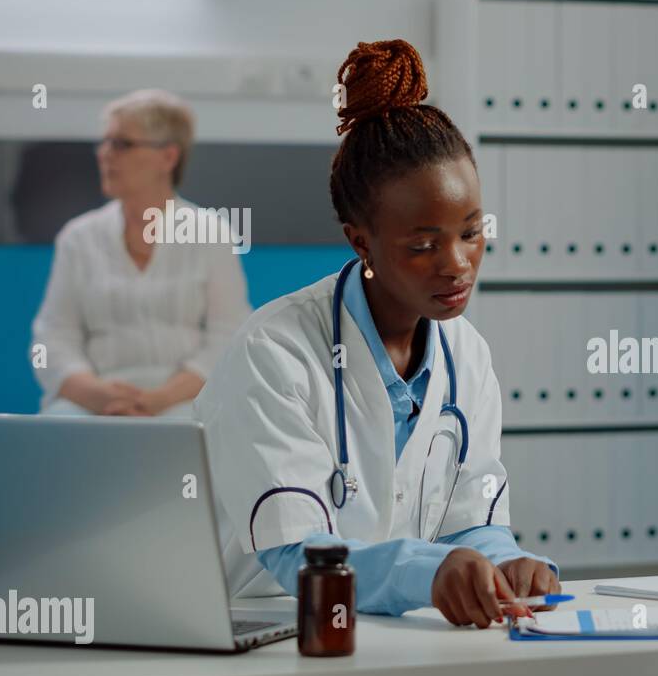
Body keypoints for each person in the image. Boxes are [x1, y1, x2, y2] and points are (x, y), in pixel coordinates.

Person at [194, 39, 558, 627]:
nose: (457, 263)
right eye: (423, 245)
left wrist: (508, 562)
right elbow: (297, 554)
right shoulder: (274, 354)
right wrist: (431, 573)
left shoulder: (467, 354)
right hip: (269, 633)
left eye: (471, 232)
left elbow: (473, 521)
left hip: (394, 641)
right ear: (360, 241)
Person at [31, 88, 250, 418]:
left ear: (168, 157)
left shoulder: (211, 232)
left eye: (121, 144)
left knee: (194, 432)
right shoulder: (79, 238)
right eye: (104, 142)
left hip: (184, 400)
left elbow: (229, 335)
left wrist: (159, 400)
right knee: (59, 429)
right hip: (95, 402)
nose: (105, 154)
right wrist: (96, 396)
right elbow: (52, 339)